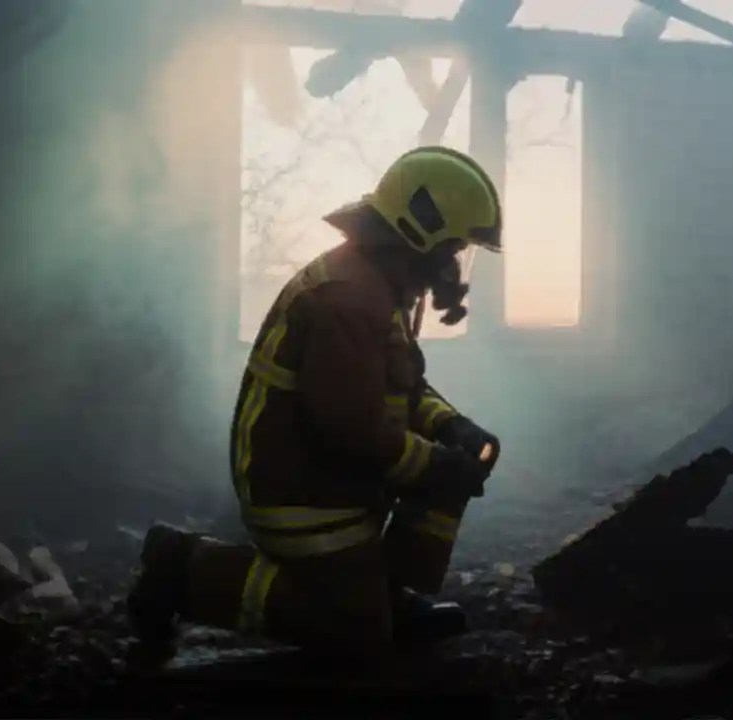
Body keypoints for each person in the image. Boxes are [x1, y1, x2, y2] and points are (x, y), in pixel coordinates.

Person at [128, 146, 503, 661]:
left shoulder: (376, 285)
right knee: (357, 632)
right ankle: (185, 570)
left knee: (461, 459)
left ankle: (386, 594)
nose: (454, 264)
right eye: (454, 247)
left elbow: (399, 386)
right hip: (298, 496)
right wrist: (435, 464)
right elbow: (350, 426)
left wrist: (453, 427)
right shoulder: (348, 300)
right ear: (420, 233)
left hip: (333, 480)